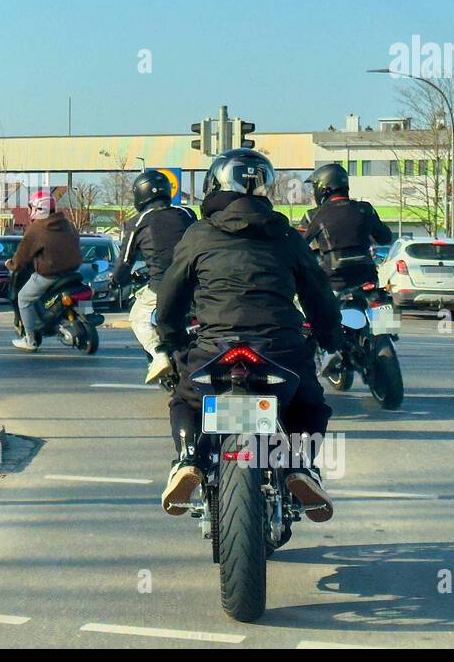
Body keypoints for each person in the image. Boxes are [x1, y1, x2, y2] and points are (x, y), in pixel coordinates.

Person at [154, 148, 342, 522]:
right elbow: (319, 295)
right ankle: (301, 465)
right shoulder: (288, 236)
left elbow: (170, 296)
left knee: (185, 401)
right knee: (310, 405)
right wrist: (331, 338)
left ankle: (188, 460)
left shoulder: (198, 235)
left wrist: (171, 341)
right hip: (280, 348)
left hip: (214, 348)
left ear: (215, 184)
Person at [111, 169, 196, 383]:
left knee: (138, 316)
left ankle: (158, 354)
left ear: (140, 194)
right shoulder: (187, 214)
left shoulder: (139, 222)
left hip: (162, 285)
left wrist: (116, 280)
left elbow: (125, 261)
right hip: (196, 282)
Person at [7, 190, 83, 351]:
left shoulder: (37, 229)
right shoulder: (67, 224)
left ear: (37, 208)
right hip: (72, 272)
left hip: (49, 275)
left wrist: (12, 265)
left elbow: (23, 254)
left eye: (31, 207)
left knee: (24, 298)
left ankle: (30, 340)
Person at [301, 163, 393, 291]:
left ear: (324, 188)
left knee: (308, 304)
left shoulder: (313, 215)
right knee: (380, 303)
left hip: (332, 283)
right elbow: (386, 238)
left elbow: (298, 244)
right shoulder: (365, 209)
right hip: (367, 280)